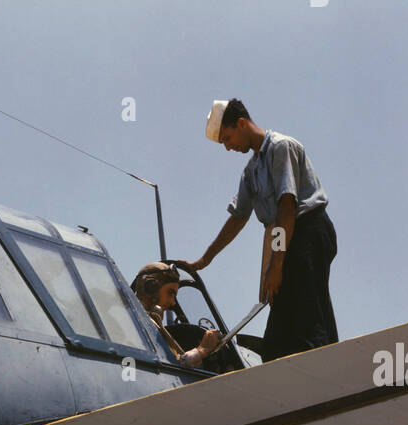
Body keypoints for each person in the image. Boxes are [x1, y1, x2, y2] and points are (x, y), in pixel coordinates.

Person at [177, 99, 337, 363]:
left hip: (308, 230)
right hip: (284, 237)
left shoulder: (281, 147)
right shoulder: (251, 171)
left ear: (241, 124)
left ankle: (323, 361)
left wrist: (276, 265)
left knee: (308, 307)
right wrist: (204, 260)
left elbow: (287, 206)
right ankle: (279, 361)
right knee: (282, 314)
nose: (228, 147)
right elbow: (238, 218)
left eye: (227, 138)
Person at [130, 262, 220, 369]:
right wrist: (202, 350)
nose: (173, 303)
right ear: (151, 287)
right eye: (170, 293)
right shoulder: (135, 322)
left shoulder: (148, 322)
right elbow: (166, 366)